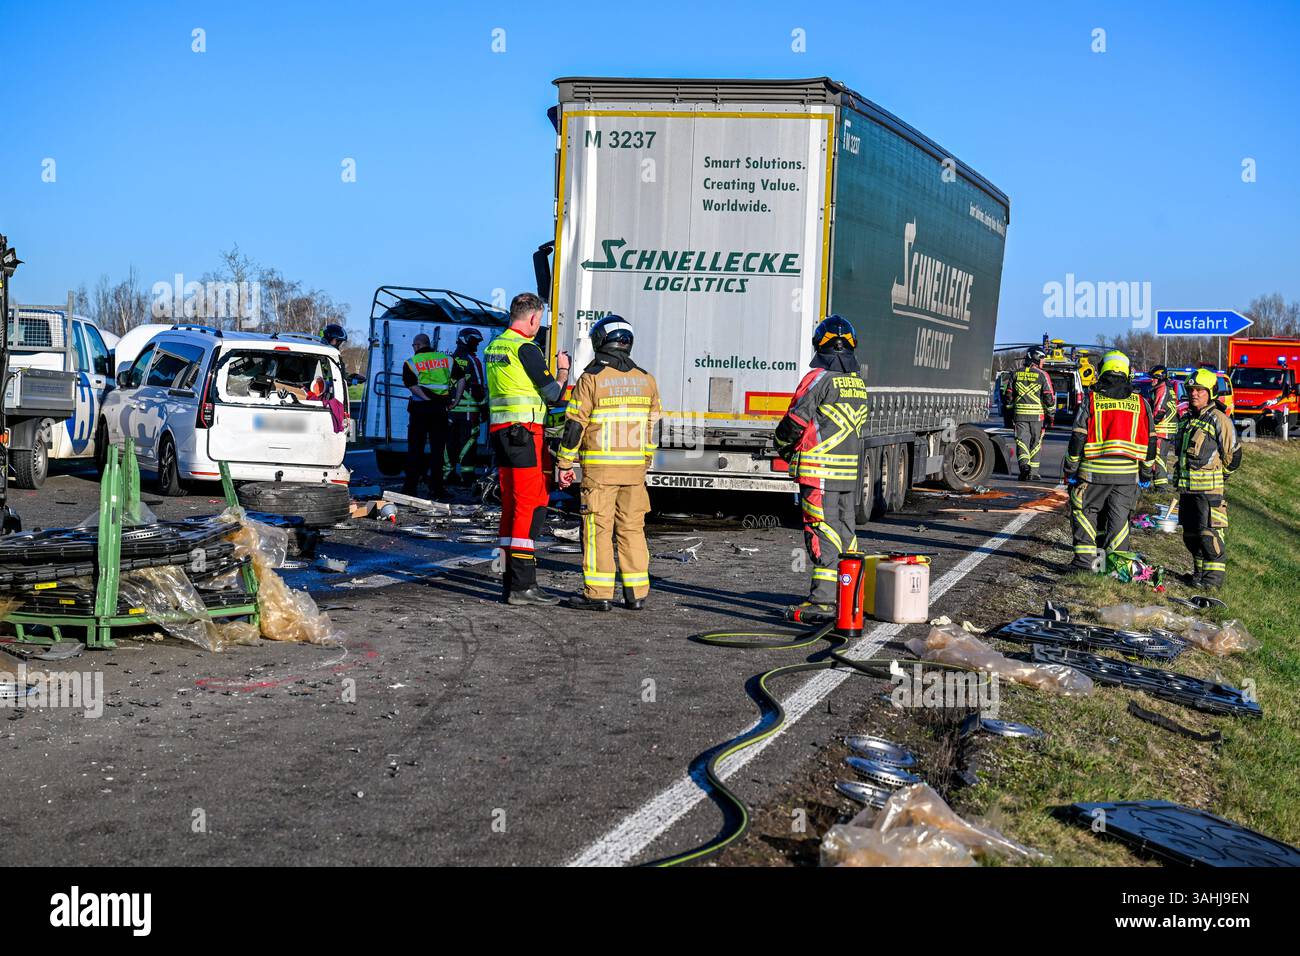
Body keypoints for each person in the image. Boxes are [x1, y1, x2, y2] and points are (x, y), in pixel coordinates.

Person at [554, 315, 660, 612]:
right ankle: (637, 593)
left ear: (601, 341)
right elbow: (655, 426)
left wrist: (564, 463)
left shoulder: (593, 378)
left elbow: (575, 425)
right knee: (632, 529)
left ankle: (599, 594)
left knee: (598, 530)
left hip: (601, 472)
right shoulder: (646, 379)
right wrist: (645, 459)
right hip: (634, 471)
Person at [774, 315, 869, 621]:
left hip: (819, 471)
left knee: (821, 531)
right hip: (848, 473)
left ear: (819, 345)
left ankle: (823, 602)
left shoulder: (818, 378)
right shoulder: (858, 384)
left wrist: (781, 445)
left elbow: (796, 420)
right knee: (845, 531)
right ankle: (849, 596)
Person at [486, 293, 570, 605]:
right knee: (527, 503)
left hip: (501, 433)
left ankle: (508, 579)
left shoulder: (494, 346)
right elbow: (553, 395)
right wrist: (562, 370)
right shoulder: (525, 347)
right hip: (525, 433)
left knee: (510, 504)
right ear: (533, 318)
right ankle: (522, 586)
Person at [1062, 350, 1156, 571]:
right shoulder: (1141, 403)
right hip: (1127, 475)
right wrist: (1146, 473)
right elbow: (1151, 442)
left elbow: (1078, 436)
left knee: (1084, 512)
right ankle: (1115, 567)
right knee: (1120, 519)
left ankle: (1084, 563)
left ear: (1102, 370)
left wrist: (1071, 469)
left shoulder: (1092, 399)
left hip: (1093, 472)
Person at [1173, 368, 1241, 589]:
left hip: (1209, 492)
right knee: (1191, 536)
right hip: (1187, 490)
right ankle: (1198, 576)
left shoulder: (1219, 419)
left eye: (1200, 390)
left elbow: (1233, 455)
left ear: (1210, 392)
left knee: (1208, 536)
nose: (1194, 394)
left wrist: (1220, 478)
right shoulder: (1186, 420)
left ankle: (1212, 583)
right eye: (1191, 389)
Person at [402, 332, 460, 499]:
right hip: (440, 410)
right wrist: (455, 400)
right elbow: (461, 378)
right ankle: (437, 488)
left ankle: (410, 488)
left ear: (418, 345)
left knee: (415, 450)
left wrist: (426, 398)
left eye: (414, 345)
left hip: (419, 410)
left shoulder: (411, 362)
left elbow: (412, 386)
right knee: (438, 450)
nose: (413, 348)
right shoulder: (446, 360)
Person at [1002, 346, 1055, 480]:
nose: (1043, 362)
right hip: (1037, 416)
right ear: (1036, 358)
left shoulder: (1015, 374)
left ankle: (1024, 467)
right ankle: (1033, 473)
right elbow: (1049, 398)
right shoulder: (1043, 375)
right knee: (1036, 443)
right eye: (1042, 358)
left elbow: (1008, 396)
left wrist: (1009, 412)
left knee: (1021, 442)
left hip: (1019, 415)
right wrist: (1051, 416)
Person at [447, 328, 486, 484]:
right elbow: (477, 387)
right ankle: (467, 476)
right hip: (469, 413)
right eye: (475, 341)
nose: (476, 345)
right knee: (468, 443)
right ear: (466, 340)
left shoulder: (449, 360)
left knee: (449, 442)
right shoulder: (473, 360)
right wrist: (484, 409)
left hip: (450, 412)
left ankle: (447, 474)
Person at [1148, 365, 1180, 490]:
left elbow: (1159, 409)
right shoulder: (1169, 388)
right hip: (1167, 429)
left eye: (1154, 378)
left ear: (1160, 377)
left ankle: (1161, 487)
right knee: (1161, 457)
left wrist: (1150, 423)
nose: (1152, 380)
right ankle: (1160, 484)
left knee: (1158, 458)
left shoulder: (1161, 389)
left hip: (1161, 429)